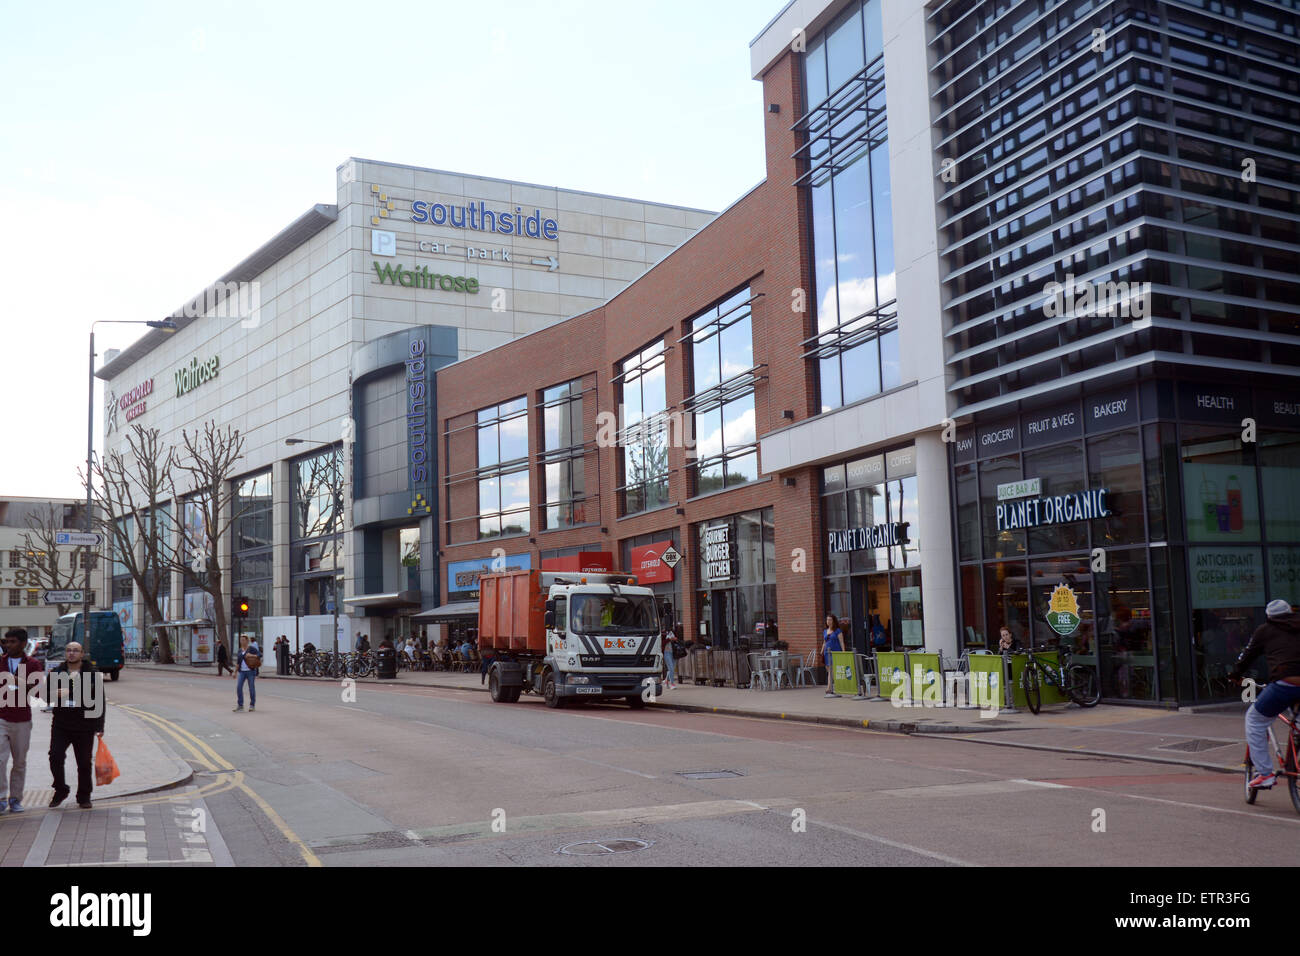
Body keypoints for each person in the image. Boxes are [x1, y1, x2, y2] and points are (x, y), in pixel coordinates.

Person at [1230, 599, 1300, 790]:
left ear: (1269, 617)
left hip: (1286, 683)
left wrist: (1235, 675)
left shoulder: (1265, 630)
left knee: (1255, 719)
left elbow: (1248, 655)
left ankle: (1265, 774)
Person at [46, 641, 104, 810]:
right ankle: (61, 789)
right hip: (61, 724)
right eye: (68, 650)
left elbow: (99, 701)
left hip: (84, 724)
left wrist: (99, 726)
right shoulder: (56, 672)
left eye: (75, 651)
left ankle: (84, 796)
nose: (71, 653)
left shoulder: (92, 674)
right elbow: (46, 696)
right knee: (55, 756)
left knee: (84, 763)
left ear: (82, 653)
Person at [0, 628, 42, 813]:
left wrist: (18, 681)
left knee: (19, 762)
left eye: (13, 642)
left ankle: (15, 799)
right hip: (1, 717)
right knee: (0, 760)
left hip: (22, 719)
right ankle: (1, 798)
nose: (8, 645)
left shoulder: (33, 664)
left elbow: (39, 692)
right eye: (6, 642)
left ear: (23, 643)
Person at [233, 635, 261, 713]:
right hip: (242, 672)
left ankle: (252, 705)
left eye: (243, 640)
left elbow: (259, 654)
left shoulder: (251, 649)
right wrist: (235, 672)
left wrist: (252, 655)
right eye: (240, 640)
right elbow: (238, 663)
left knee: (251, 688)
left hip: (250, 671)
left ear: (247, 641)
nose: (241, 641)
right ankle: (240, 706)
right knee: (239, 687)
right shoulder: (239, 650)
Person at [820, 615, 844, 698]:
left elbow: (841, 642)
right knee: (829, 670)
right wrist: (822, 651)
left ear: (833, 621)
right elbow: (824, 642)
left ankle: (829, 688)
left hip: (835, 652)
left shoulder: (838, 631)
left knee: (831, 670)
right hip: (827, 653)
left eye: (830, 620)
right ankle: (836, 685)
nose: (828, 621)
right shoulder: (825, 631)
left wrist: (843, 652)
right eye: (827, 620)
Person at [661, 622, 677, 689]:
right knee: (670, 668)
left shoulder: (673, 632)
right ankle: (672, 684)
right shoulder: (662, 634)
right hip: (666, 652)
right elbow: (662, 643)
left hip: (674, 652)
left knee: (672, 668)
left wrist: (674, 639)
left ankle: (666, 681)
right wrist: (669, 639)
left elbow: (677, 639)